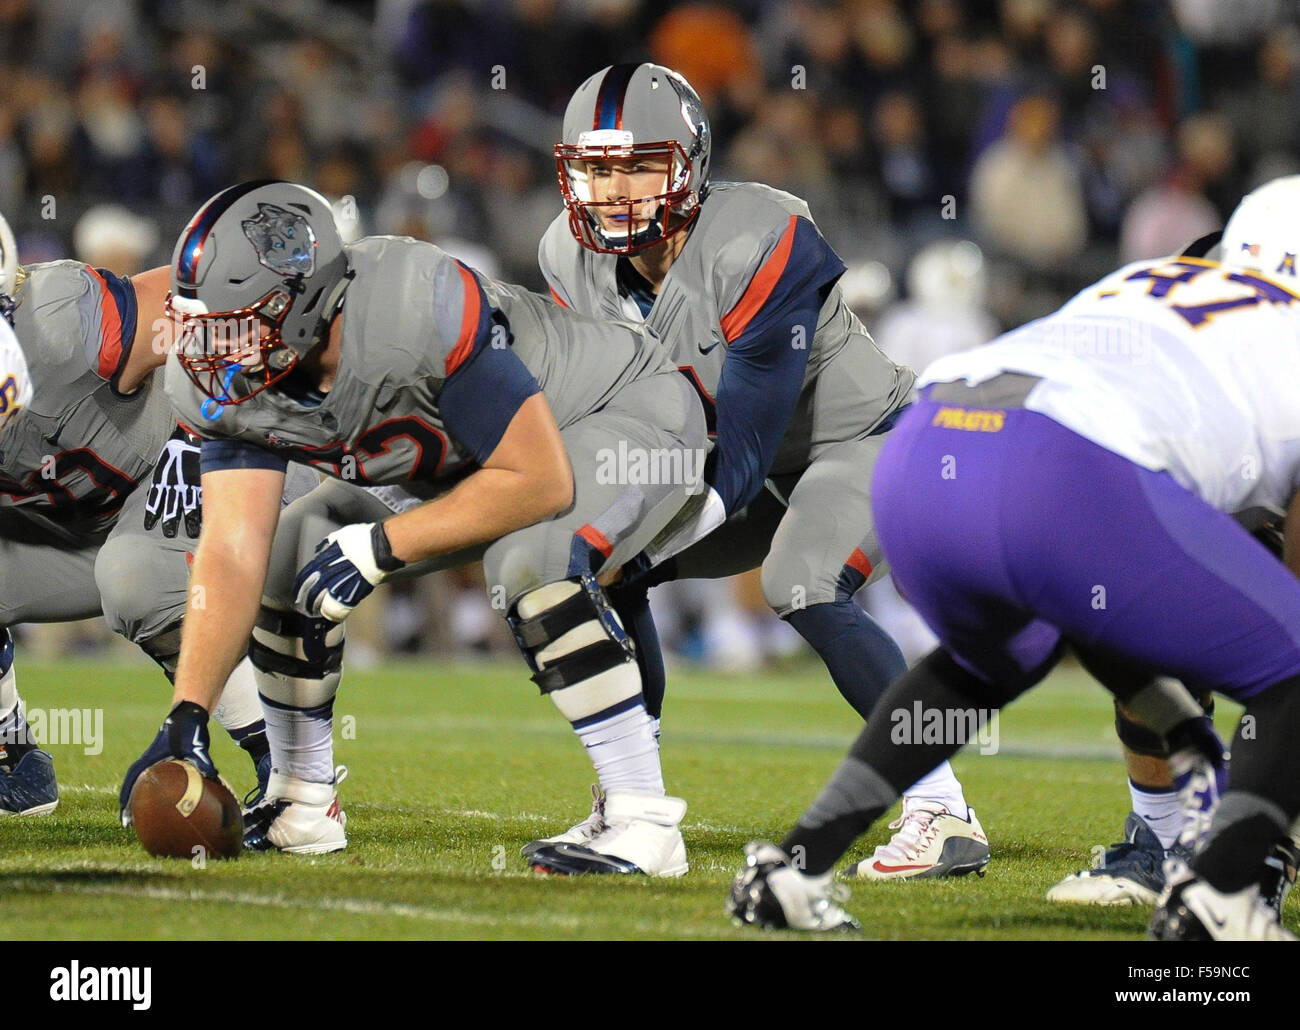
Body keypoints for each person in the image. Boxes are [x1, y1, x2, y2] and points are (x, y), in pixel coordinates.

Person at [727, 176, 1300, 940]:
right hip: (1061, 468)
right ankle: (1220, 897)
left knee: (985, 664)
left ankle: (794, 869)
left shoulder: (1154, 278)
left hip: (924, 448)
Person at [119, 180, 706, 876]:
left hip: (611, 412)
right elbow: (231, 548)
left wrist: (382, 546)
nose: (216, 349)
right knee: (282, 555)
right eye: (205, 324)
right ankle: (301, 799)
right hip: (453, 466)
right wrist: (188, 712)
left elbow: (537, 479)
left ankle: (642, 817)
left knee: (529, 559)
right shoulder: (227, 381)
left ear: (307, 301)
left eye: (238, 324)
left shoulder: (411, 307)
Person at [531, 63, 987, 879]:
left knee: (801, 581)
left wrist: (649, 524)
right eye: (596, 168)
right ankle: (634, 806)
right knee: (603, 566)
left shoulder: (756, 235)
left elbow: (741, 448)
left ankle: (943, 809)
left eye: (637, 164)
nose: (613, 190)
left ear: (691, 165)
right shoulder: (569, 259)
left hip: (864, 441)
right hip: (748, 464)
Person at [0, 212, 314, 814]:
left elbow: (219, 297)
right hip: (70, 526)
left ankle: (290, 770)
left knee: (136, 577)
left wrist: (203, 435)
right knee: (125, 565)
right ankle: (14, 757)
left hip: (184, 482)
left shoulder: (63, 323)